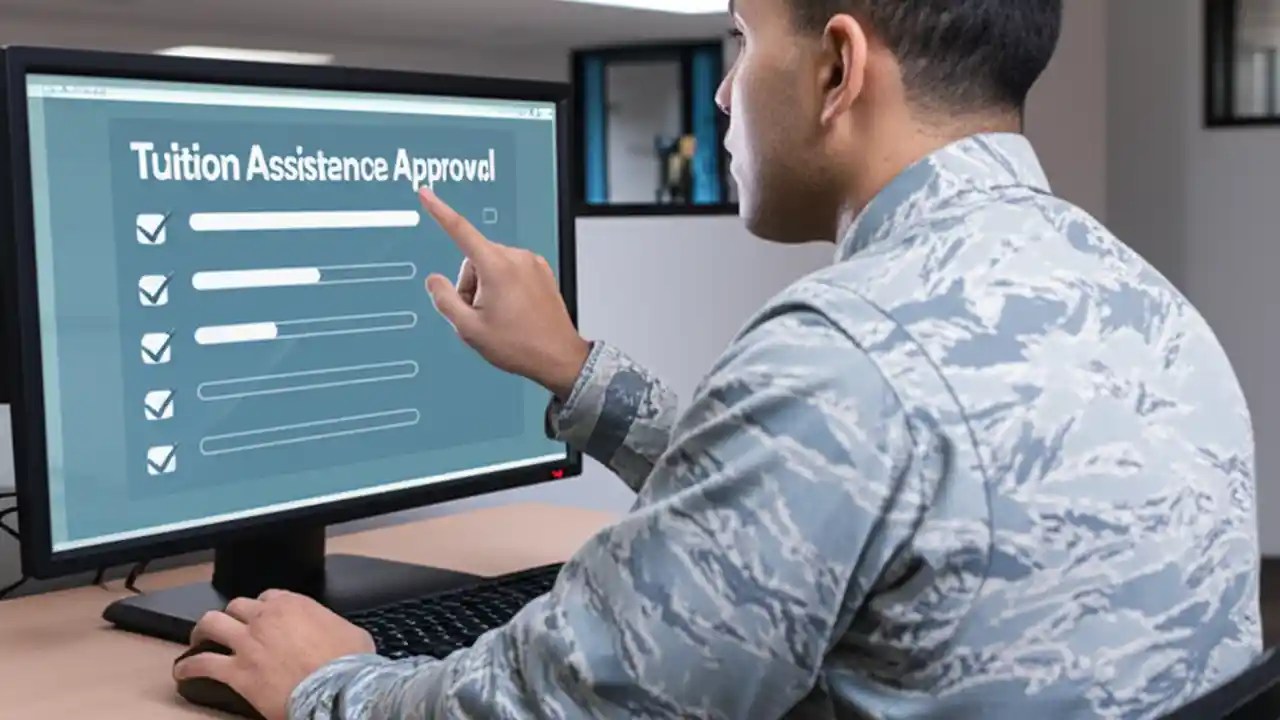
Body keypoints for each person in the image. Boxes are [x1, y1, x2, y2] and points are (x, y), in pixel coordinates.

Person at [173, 0, 1263, 717]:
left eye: (741, 40)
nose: (718, 92)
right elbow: (821, 505)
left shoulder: (846, 352)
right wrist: (575, 371)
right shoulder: (1139, 301)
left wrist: (331, 684)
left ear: (836, 66)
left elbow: (566, 706)